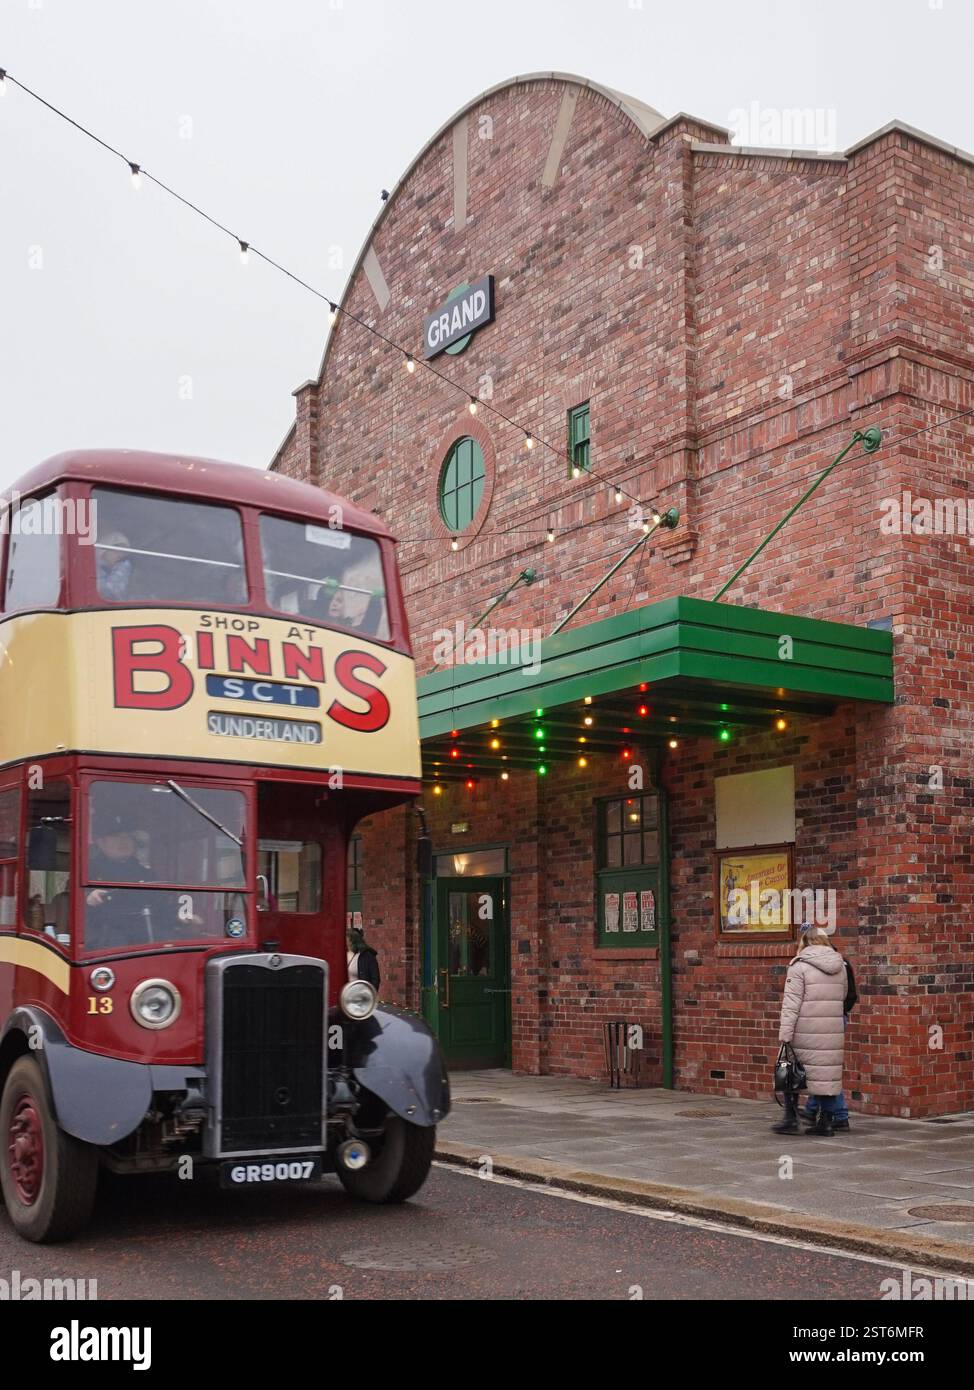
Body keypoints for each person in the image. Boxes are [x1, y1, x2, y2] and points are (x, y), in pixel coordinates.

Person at [773, 923, 848, 1137]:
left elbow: (791, 1003)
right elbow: (842, 996)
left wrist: (785, 1034)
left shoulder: (799, 965)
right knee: (826, 1077)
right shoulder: (840, 965)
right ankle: (824, 1123)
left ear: (804, 941)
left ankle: (790, 1118)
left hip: (804, 1029)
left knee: (789, 1071)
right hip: (831, 1029)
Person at [802, 953, 857, 1132]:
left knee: (823, 1069)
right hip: (836, 1018)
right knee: (827, 1068)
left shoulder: (810, 964)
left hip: (820, 1021)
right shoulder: (842, 963)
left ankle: (831, 1114)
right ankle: (824, 1112)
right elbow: (851, 995)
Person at [96, 531, 133, 599]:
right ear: (104, 550)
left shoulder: (119, 567)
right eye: (116, 550)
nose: (120, 555)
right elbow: (108, 591)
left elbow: (118, 595)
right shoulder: (92, 567)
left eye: (123, 552)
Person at [347, 925, 380, 990]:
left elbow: (375, 979)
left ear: (352, 941)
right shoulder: (344, 954)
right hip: (347, 994)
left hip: (361, 994)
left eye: (347, 940)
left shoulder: (367, 956)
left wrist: (370, 994)